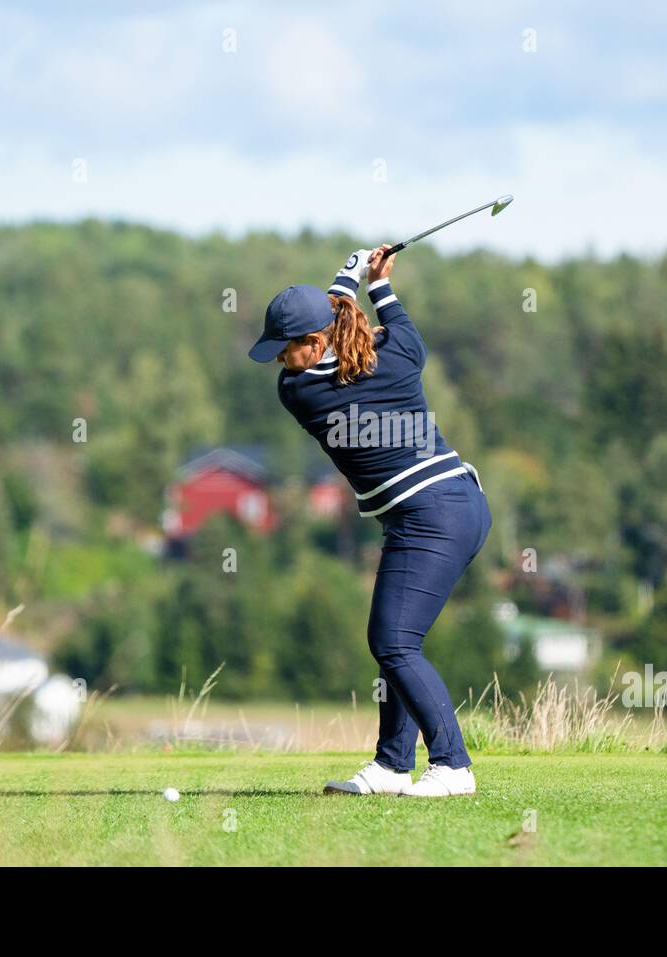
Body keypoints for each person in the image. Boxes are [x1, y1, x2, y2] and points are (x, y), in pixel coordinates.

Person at [248, 246, 492, 797]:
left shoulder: (301, 390)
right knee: (396, 642)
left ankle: (453, 766)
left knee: (393, 641)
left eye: (284, 350)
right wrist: (376, 284)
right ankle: (390, 764)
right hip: (458, 505)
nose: (279, 363)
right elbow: (397, 328)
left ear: (314, 343)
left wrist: (349, 279)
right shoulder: (398, 353)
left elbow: (347, 329)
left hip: (430, 514)